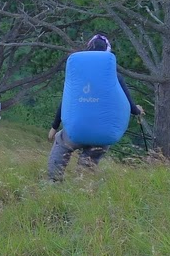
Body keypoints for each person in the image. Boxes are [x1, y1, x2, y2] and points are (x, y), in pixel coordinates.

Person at [47, 33, 144, 181]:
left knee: (62, 143)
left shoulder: (78, 75)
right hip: (102, 134)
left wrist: (54, 127)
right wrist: (138, 110)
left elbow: (66, 101)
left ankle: (53, 181)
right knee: (89, 162)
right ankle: (81, 186)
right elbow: (131, 108)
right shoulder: (114, 77)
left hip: (77, 129)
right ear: (107, 52)